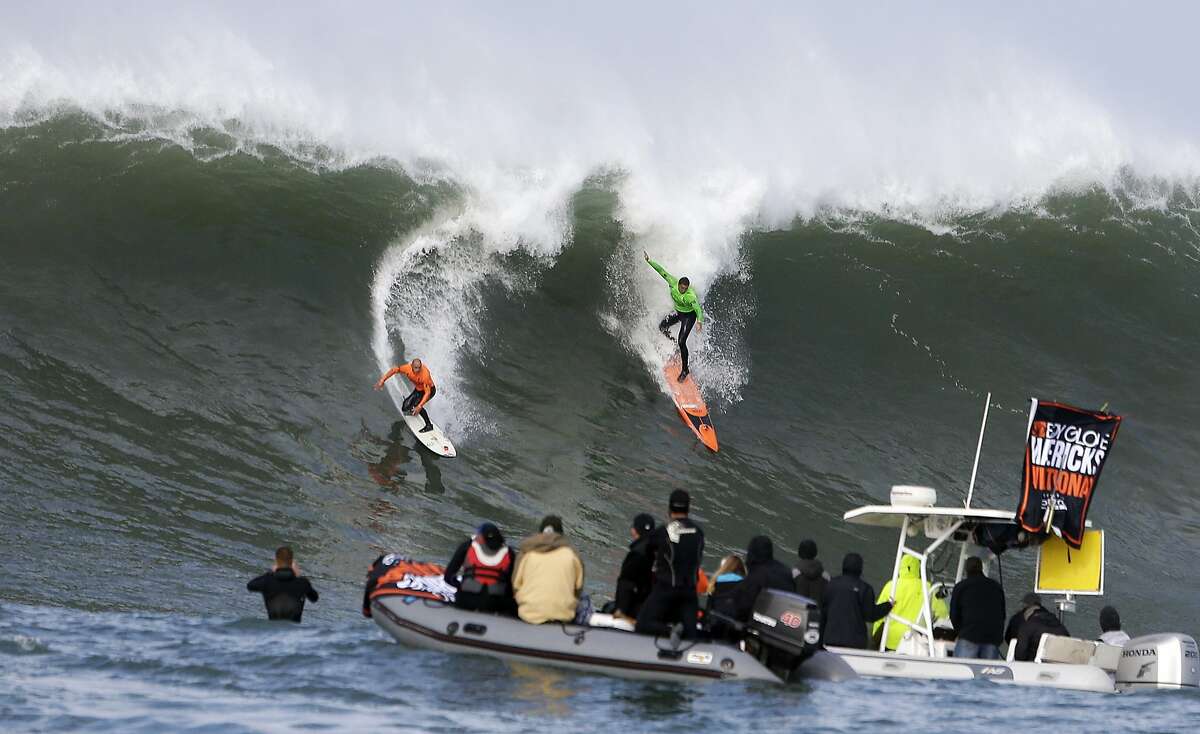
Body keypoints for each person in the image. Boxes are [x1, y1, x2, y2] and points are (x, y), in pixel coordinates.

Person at [636, 490, 705, 640]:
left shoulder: (664, 531)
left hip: (667, 589)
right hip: (689, 591)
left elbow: (644, 549)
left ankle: (671, 631)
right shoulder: (699, 532)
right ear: (688, 509)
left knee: (643, 624)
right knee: (691, 633)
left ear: (669, 509)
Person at [511, 515, 584, 624]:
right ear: (561, 534)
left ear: (540, 533)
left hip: (529, 615)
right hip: (563, 616)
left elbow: (516, 586)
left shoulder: (527, 553)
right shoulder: (572, 555)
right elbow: (578, 589)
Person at [644, 252, 704, 382]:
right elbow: (661, 271)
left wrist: (699, 321)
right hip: (678, 312)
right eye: (681, 288)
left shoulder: (691, 296)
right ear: (679, 285)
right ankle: (673, 342)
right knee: (662, 327)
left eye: (685, 289)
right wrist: (649, 261)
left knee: (682, 341)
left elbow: (698, 309)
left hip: (689, 316)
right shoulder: (672, 282)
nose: (683, 290)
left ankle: (685, 370)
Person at [873, 555, 950, 651]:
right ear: (917, 568)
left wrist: (875, 635)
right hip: (914, 643)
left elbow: (878, 615)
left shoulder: (890, 586)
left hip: (889, 640)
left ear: (901, 567)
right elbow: (942, 613)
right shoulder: (928, 587)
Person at [820, 552, 893, 649]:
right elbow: (870, 615)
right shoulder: (865, 589)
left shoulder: (831, 584)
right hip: (854, 642)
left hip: (830, 638)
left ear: (843, 566)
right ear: (860, 569)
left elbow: (823, 610)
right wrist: (888, 605)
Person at [443, 522, 516, 615]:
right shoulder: (509, 552)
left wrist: (460, 585)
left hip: (466, 600)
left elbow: (448, 577)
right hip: (494, 604)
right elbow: (510, 585)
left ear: (480, 536)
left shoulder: (467, 546)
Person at [949, 556, 1006, 659]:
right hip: (992, 638)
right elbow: (1002, 614)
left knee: (962, 671)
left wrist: (961, 632)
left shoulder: (961, 587)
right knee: (988, 673)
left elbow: (954, 615)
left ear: (966, 569)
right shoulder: (996, 586)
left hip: (969, 636)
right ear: (981, 568)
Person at [247, 546, 319, 623]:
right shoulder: (302, 583)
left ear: (276, 561)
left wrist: (270, 573)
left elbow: (250, 585)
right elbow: (314, 598)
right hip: (294, 631)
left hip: (274, 631)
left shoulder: (267, 581)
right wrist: (299, 576)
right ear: (291, 561)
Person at [732, 536, 796, 622]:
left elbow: (743, 607)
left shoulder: (757, 574)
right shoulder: (786, 571)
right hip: (785, 620)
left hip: (761, 623)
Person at [613, 513, 657, 622]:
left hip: (639, 608)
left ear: (634, 530)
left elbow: (625, 583)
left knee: (608, 607)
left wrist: (620, 609)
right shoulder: (657, 550)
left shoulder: (637, 553)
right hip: (655, 605)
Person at [374, 358, 437, 433]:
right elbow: (394, 370)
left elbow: (427, 393)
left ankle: (429, 425)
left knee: (417, 405)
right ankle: (413, 408)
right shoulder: (407, 368)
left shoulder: (425, 375)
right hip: (418, 390)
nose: (417, 370)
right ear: (411, 366)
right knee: (405, 408)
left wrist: (419, 407)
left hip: (430, 391)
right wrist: (382, 380)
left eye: (419, 368)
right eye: (415, 368)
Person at [1005, 593, 1070, 662]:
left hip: (1034, 663)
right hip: (1060, 663)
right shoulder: (1057, 623)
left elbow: (1020, 655)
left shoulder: (1025, 623)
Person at [704, 554, 746, 640]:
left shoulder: (716, 581)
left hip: (715, 623)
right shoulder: (745, 584)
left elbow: (709, 606)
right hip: (734, 627)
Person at [792, 539, 829, 604]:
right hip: (817, 611)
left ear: (799, 553)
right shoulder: (826, 575)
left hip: (797, 609)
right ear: (816, 553)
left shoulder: (794, 573)